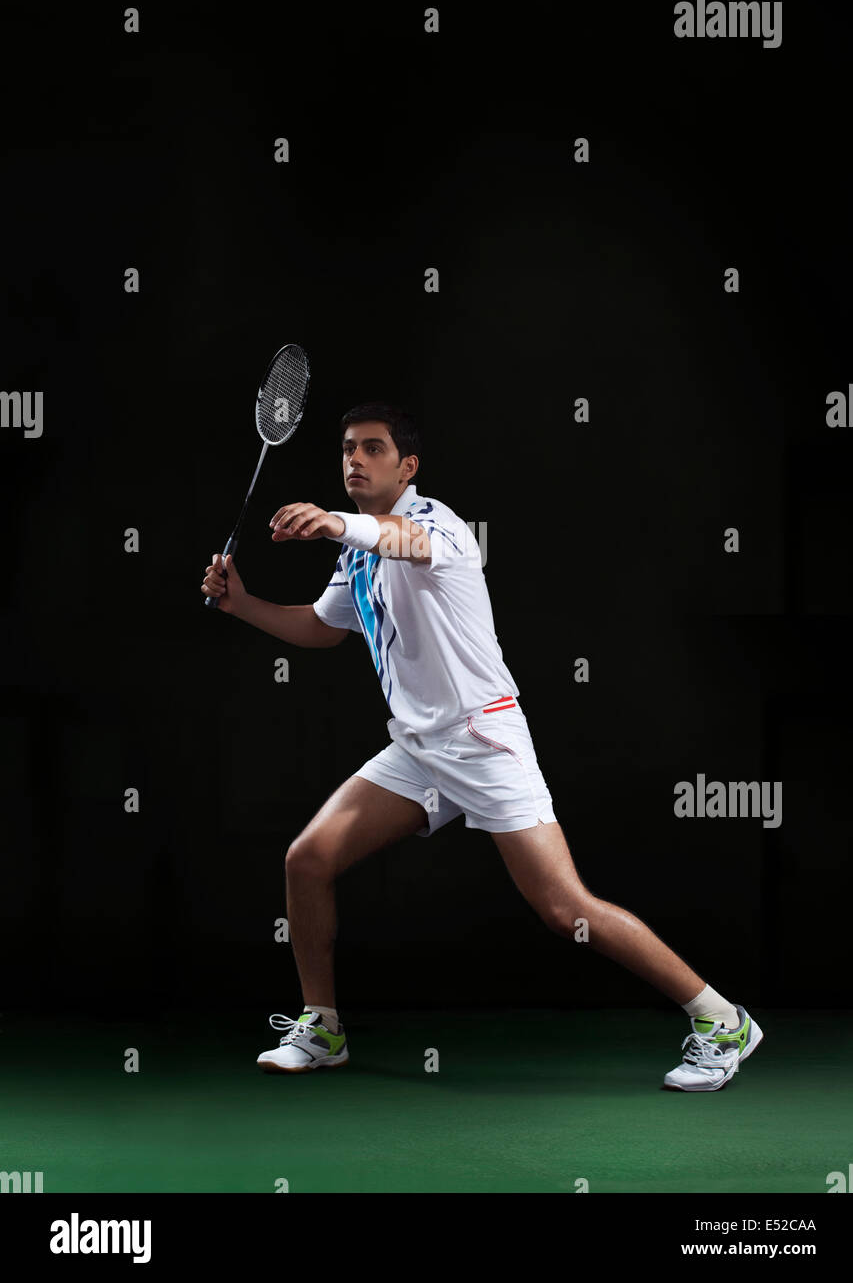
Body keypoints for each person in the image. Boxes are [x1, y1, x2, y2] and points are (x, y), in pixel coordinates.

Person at [200, 401, 763, 1091]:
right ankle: (322, 1028)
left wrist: (331, 521)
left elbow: (398, 538)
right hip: (418, 748)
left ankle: (721, 1019)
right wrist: (244, 604)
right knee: (308, 859)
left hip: (484, 738)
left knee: (565, 910)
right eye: (347, 448)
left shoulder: (439, 528)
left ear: (406, 467)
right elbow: (323, 626)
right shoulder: (357, 552)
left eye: (372, 449)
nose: (354, 460)